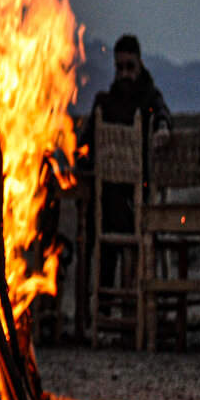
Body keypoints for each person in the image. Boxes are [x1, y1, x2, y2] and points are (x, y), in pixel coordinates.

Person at [77, 34, 173, 296]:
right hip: (106, 194)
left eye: (130, 67)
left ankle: (117, 301)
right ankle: (95, 303)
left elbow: (163, 114)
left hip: (135, 198)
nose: (125, 74)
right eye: (120, 68)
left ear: (139, 64)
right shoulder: (106, 102)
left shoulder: (148, 99)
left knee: (110, 221)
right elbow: (83, 143)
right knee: (94, 224)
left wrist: (162, 129)